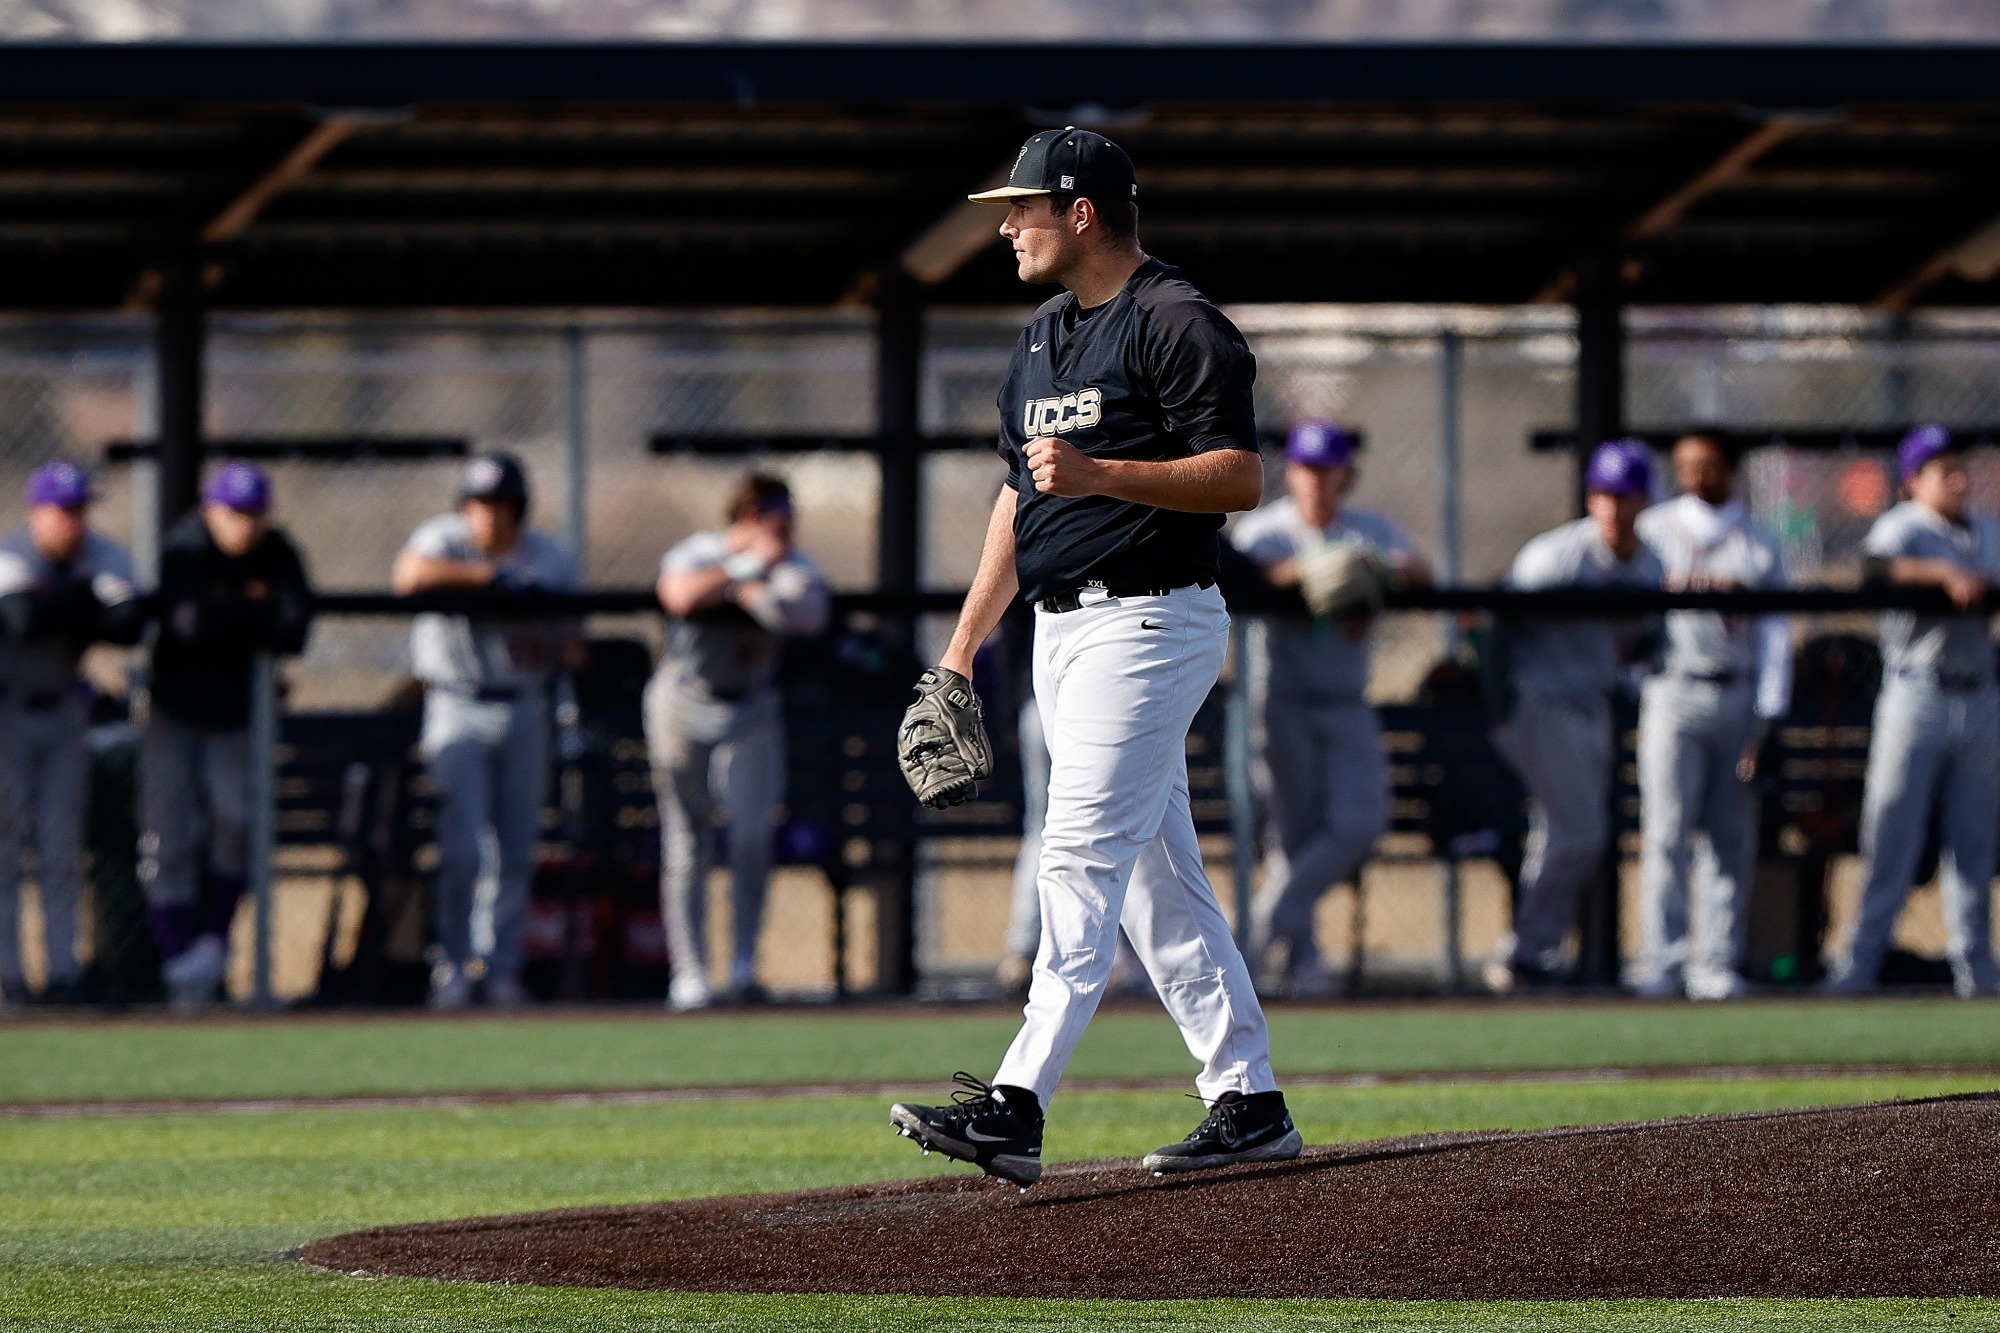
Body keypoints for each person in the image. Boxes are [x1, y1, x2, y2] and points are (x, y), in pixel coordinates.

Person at [888, 127, 1297, 1189]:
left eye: (1021, 207)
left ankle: (1016, 1104)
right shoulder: (1038, 339)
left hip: (1152, 620)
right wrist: (962, 644)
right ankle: (1246, 1097)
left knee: (1073, 854)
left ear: (1080, 212)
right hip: (1059, 631)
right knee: (1156, 881)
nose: (1005, 225)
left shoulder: (1175, 319)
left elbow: (1240, 477)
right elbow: (1017, 499)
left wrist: (1100, 469)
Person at [1231, 420, 1430, 998]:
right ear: (1291, 471)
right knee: (1293, 835)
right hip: (1281, 700)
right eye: (1306, 467)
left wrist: (1370, 565)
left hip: (1346, 700)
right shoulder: (1264, 531)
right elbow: (1241, 575)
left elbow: (1421, 570)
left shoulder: (1365, 527)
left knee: (1361, 823)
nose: (1316, 479)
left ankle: (1260, 933)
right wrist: (1301, 573)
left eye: (1327, 468)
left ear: (1346, 473)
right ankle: (1302, 961)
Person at [393, 453, 579, 1010]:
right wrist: (487, 579)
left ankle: (503, 967)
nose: (488, 518)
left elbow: (576, 645)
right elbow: (408, 576)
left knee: (517, 849)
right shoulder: (445, 540)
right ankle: (452, 962)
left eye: (500, 506)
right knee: (462, 848)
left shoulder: (548, 556)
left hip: (524, 703)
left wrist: (535, 614)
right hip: (456, 703)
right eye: (479, 505)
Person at [1828, 425, 2000, 997]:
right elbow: (1872, 569)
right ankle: (1859, 965)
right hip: (1916, 690)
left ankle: (1975, 970)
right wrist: (1945, 573)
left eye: (1959, 465)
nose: (1955, 476)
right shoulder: (1904, 527)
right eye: (1939, 468)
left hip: (1978, 689)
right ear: (1912, 481)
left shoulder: (1988, 531)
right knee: (1891, 834)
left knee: (1974, 841)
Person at [648, 472, 829, 1012]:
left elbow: (808, 617)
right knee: (687, 841)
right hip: (684, 699)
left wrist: (754, 587)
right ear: (749, 516)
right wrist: (744, 568)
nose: (788, 528)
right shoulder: (700, 551)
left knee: (751, 838)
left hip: (751, 704)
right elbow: (678, 595)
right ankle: (690, 973)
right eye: (778, 517)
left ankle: (744, 965)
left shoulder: (793, 562)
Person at [1489, 439, 1664, 989]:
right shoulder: (1557, 555)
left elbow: (1645, 640)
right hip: (1539, 703)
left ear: (1644, 502)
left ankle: (1531, 954)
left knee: (1565, 833)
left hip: (1591, 705)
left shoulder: (1650, 561)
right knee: (1580, 832)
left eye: (1625, 496)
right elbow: (1497, 628)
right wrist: (1500, 711)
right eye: (1603, 495)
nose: (1612, 507)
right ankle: (1527, 947)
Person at [143, 462, 313, 1007]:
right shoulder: (186, 547)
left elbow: (294, 629)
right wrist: (252, 605)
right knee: (168, 840)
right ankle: (179, 963)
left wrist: (234, 610)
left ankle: (212, 947)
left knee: (236, 824)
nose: (245, 526)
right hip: (173, 713)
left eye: (254, 514)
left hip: (238, 717)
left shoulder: (277, 552)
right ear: (211, 510)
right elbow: (191, 626)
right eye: (234, 514)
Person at [1630, 433, 1791, 1000]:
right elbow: (1631, 621)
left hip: (1736, 691)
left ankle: (1716, 960)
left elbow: (1776, 634)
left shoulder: (1759, 540)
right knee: (1667, 830)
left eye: (1707, 465)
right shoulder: (1654, 531)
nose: (1695, 475)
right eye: (1685, 465)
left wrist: (1770, 712)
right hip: (1674, 689)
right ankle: (1662, 959)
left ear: (1730, 468)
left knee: (1729, 834)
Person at [0, 463, 143, 1005]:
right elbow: (21, 619)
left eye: (78, 510)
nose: (71, 522)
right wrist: (82, 606)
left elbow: (128, 623)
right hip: (8, 714)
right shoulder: (13, 554)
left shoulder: (98, 553)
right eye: (61, 511)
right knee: (5, 852)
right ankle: (9, 978)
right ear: (36, 512)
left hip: (63, 713)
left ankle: (64, 975)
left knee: (61, 851)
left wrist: (65, 604)